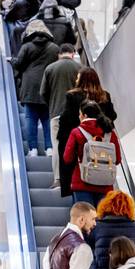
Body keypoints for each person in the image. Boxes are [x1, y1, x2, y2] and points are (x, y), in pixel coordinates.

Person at [56, 68, 117, 197]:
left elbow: (66, 119)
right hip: (101, 142)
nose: (76, 80)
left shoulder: (72, 95)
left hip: (80, 139)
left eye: (78, 77)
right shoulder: (105, 96)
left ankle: (76, 196)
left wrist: (62, 138)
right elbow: (112, 116)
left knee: (77, 169)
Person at [63, 100, 124, 207]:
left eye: (79, 114)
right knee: (101, 220)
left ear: (84, 115)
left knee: (85, 219)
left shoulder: (77, 132)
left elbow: (67, 158)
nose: (79, 116)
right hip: (106, 185)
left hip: (82, 182)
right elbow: (118, 160)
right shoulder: (110, 133)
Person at [12, 19, 59, 157]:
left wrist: (12, 60)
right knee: (46, 120)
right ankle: (49, 148)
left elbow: (19, 64)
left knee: (30, 120)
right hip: (47, 87)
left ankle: (32, 149)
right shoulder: (54, 48)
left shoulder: (27, 46)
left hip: (29, 87)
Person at [40, 43, 82, 180]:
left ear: (59, 54)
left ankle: (58, 179)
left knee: (58, 146)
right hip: (77, 115)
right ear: (73, 53)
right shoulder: (80, 68)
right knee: (76, 147)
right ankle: (74, 179)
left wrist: (52, 104)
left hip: (56, 113)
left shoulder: (50, 68)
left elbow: (43, 92)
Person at [44, 202, 106, 269]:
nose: (95, 223)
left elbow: (47, 268)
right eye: (93, 219)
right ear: (81, 220)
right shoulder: (81, 247)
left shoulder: (55, 239)